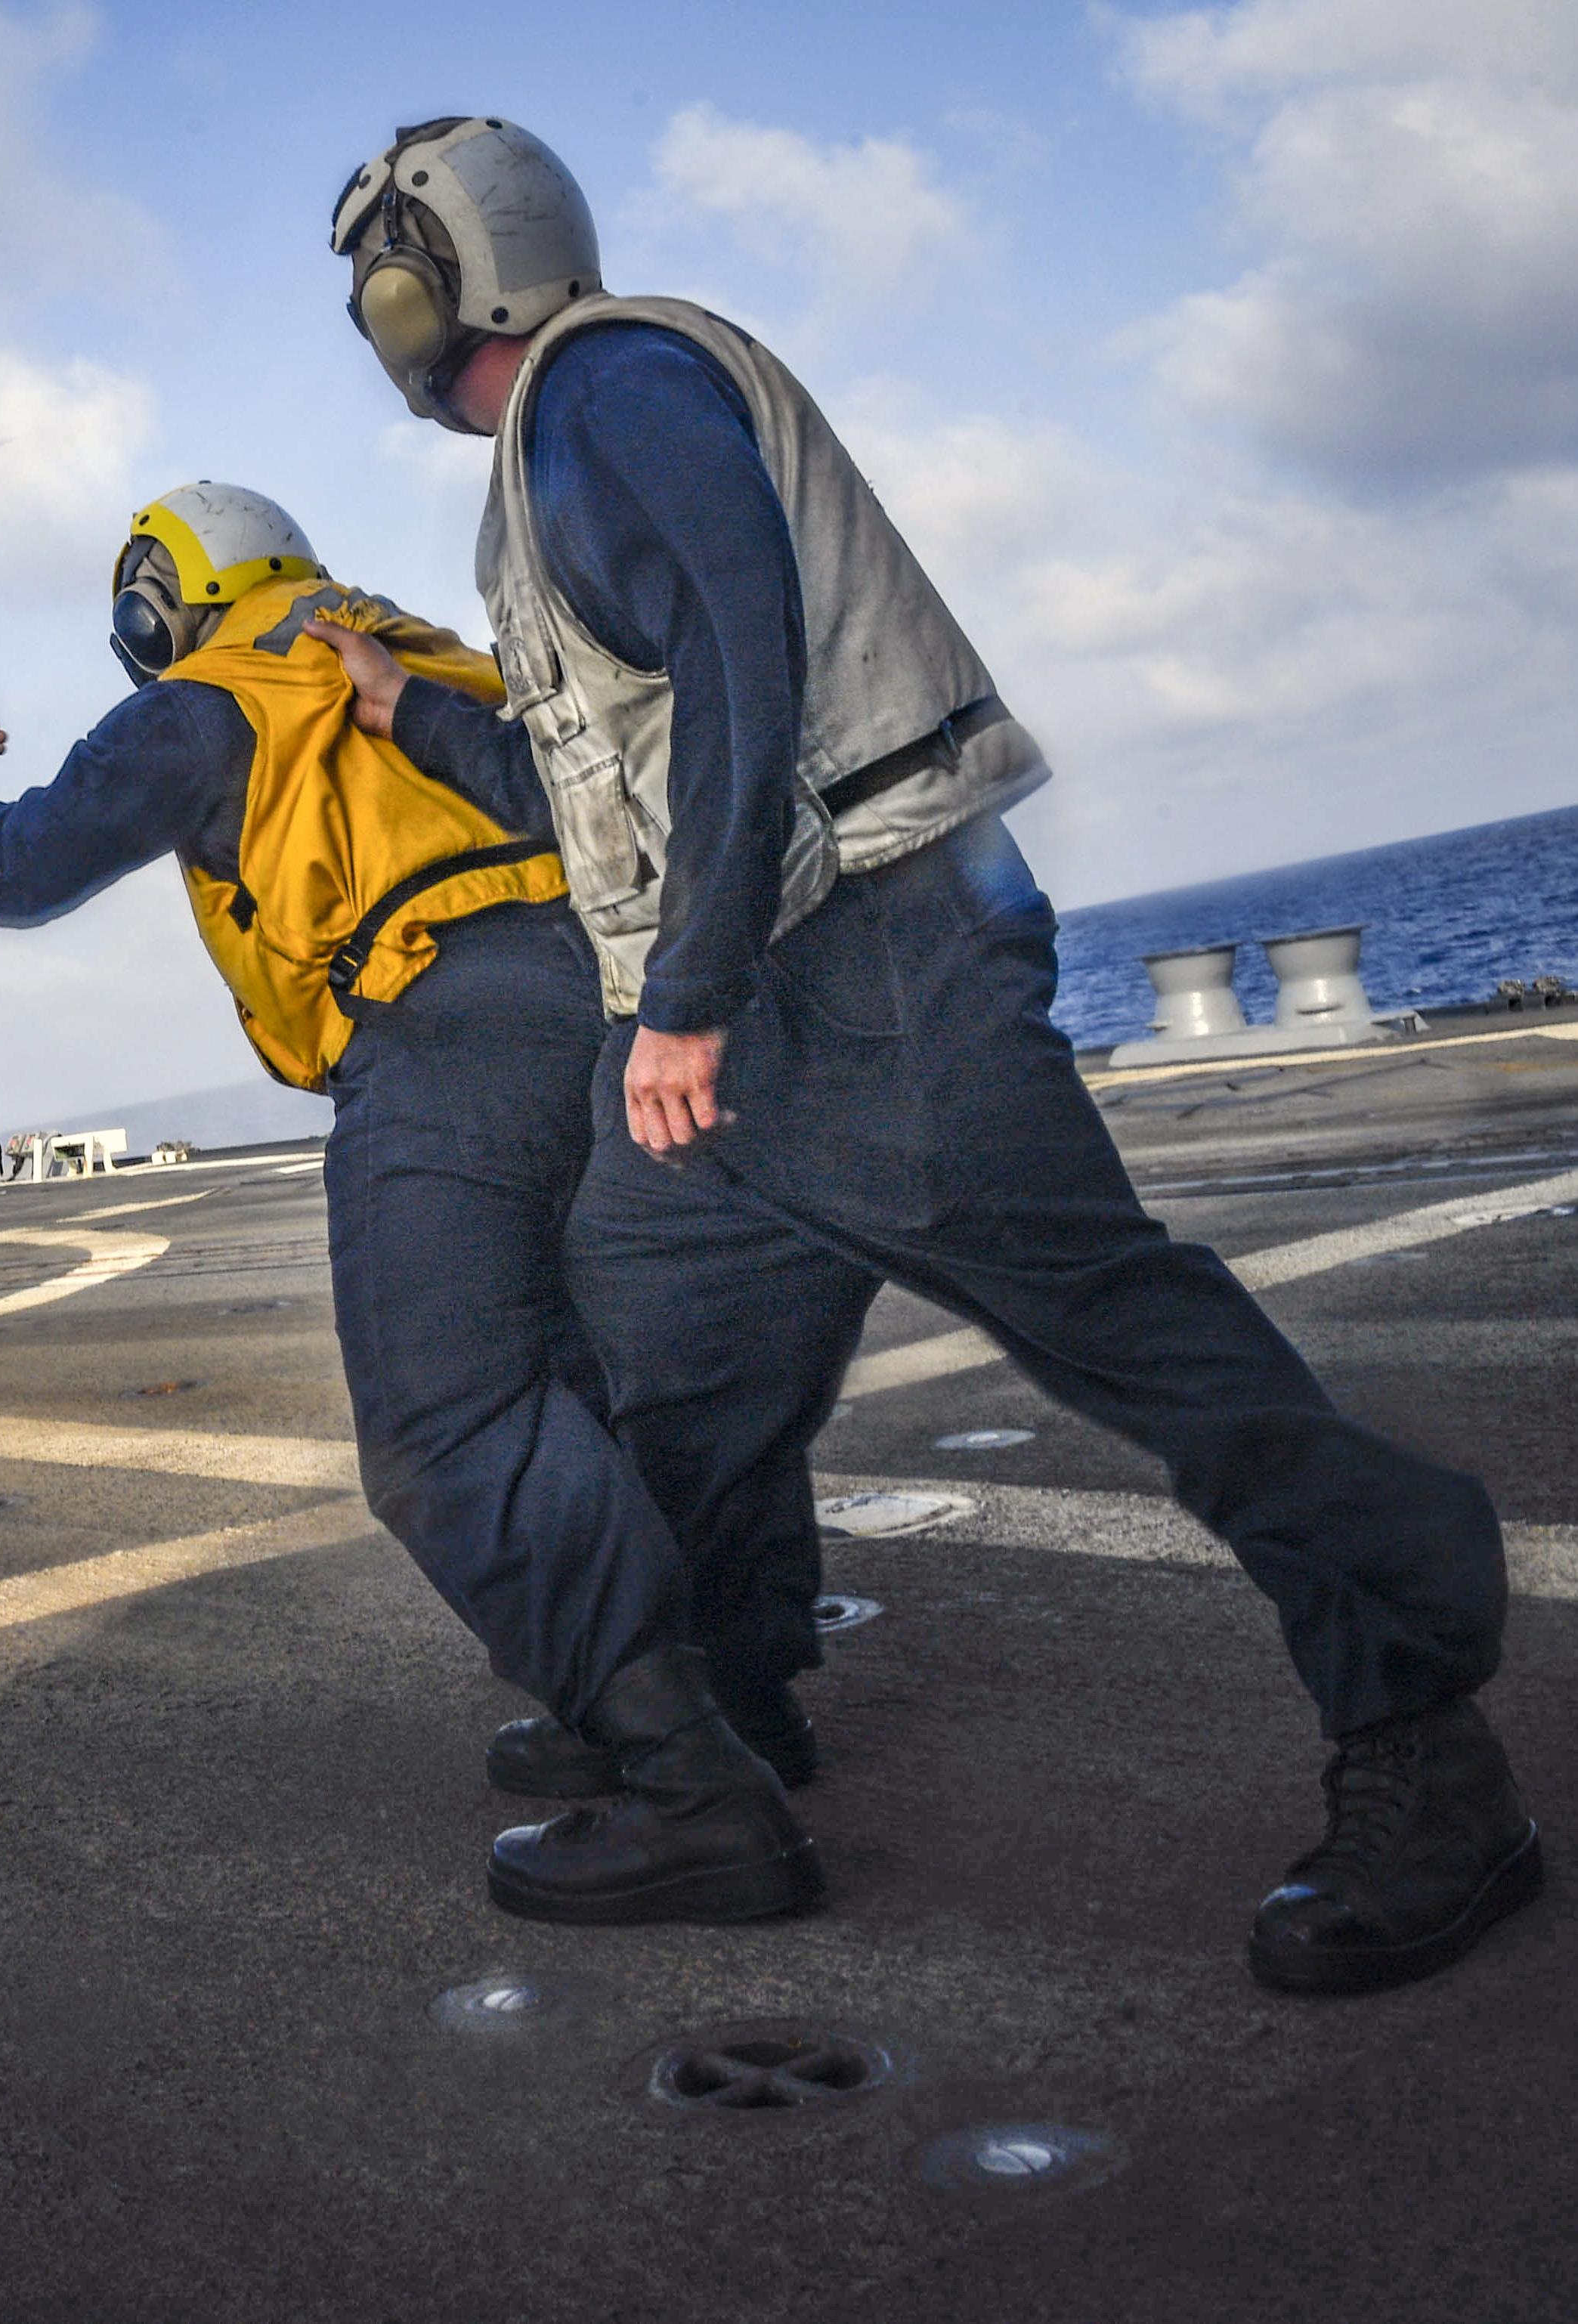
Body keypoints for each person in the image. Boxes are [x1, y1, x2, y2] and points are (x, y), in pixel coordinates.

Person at [314, 116, 1538, 1991]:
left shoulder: (612, 384)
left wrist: (691, 989)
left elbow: (747, 650)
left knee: (1124, 1335)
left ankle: (1424, 1747)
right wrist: (410, 717)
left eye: (372, 274)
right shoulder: (551, 459)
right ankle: (712, 1756)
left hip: (866, 963)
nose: (365, 317)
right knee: (666, 1366)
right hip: (749, 1019)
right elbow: (618, 788)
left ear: (438, 271)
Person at [0, 481, 822, 1925]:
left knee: (451, 1422)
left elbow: (16, 876)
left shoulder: (207, 699)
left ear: (155, 605)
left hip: (445, 1030)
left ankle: (695, 1795)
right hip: (624, 1005)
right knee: (605, 1381)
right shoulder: (417, 648)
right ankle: (740, 1707)